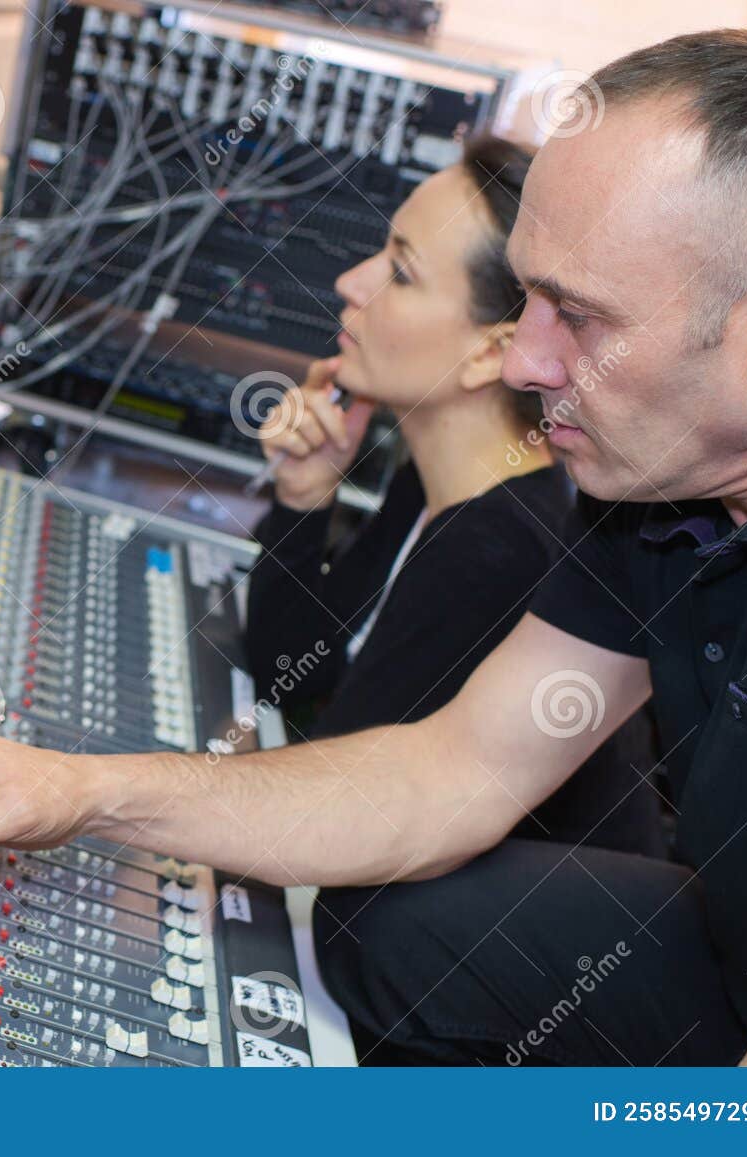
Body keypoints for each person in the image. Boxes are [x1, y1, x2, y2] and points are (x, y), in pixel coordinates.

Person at [0, 30, 747, 1066]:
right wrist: (81, 789)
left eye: (580, 318)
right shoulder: (660, 460)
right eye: (529, 296)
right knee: (392, 930)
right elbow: (456, 767)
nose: (531, 359)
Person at [244, 135, 660, 856]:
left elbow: (331, 811)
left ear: (492, 353)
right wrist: (305, 493)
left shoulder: (500, 551)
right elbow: (295, 675)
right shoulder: (439, 478)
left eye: (400, 272)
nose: (352, 280)